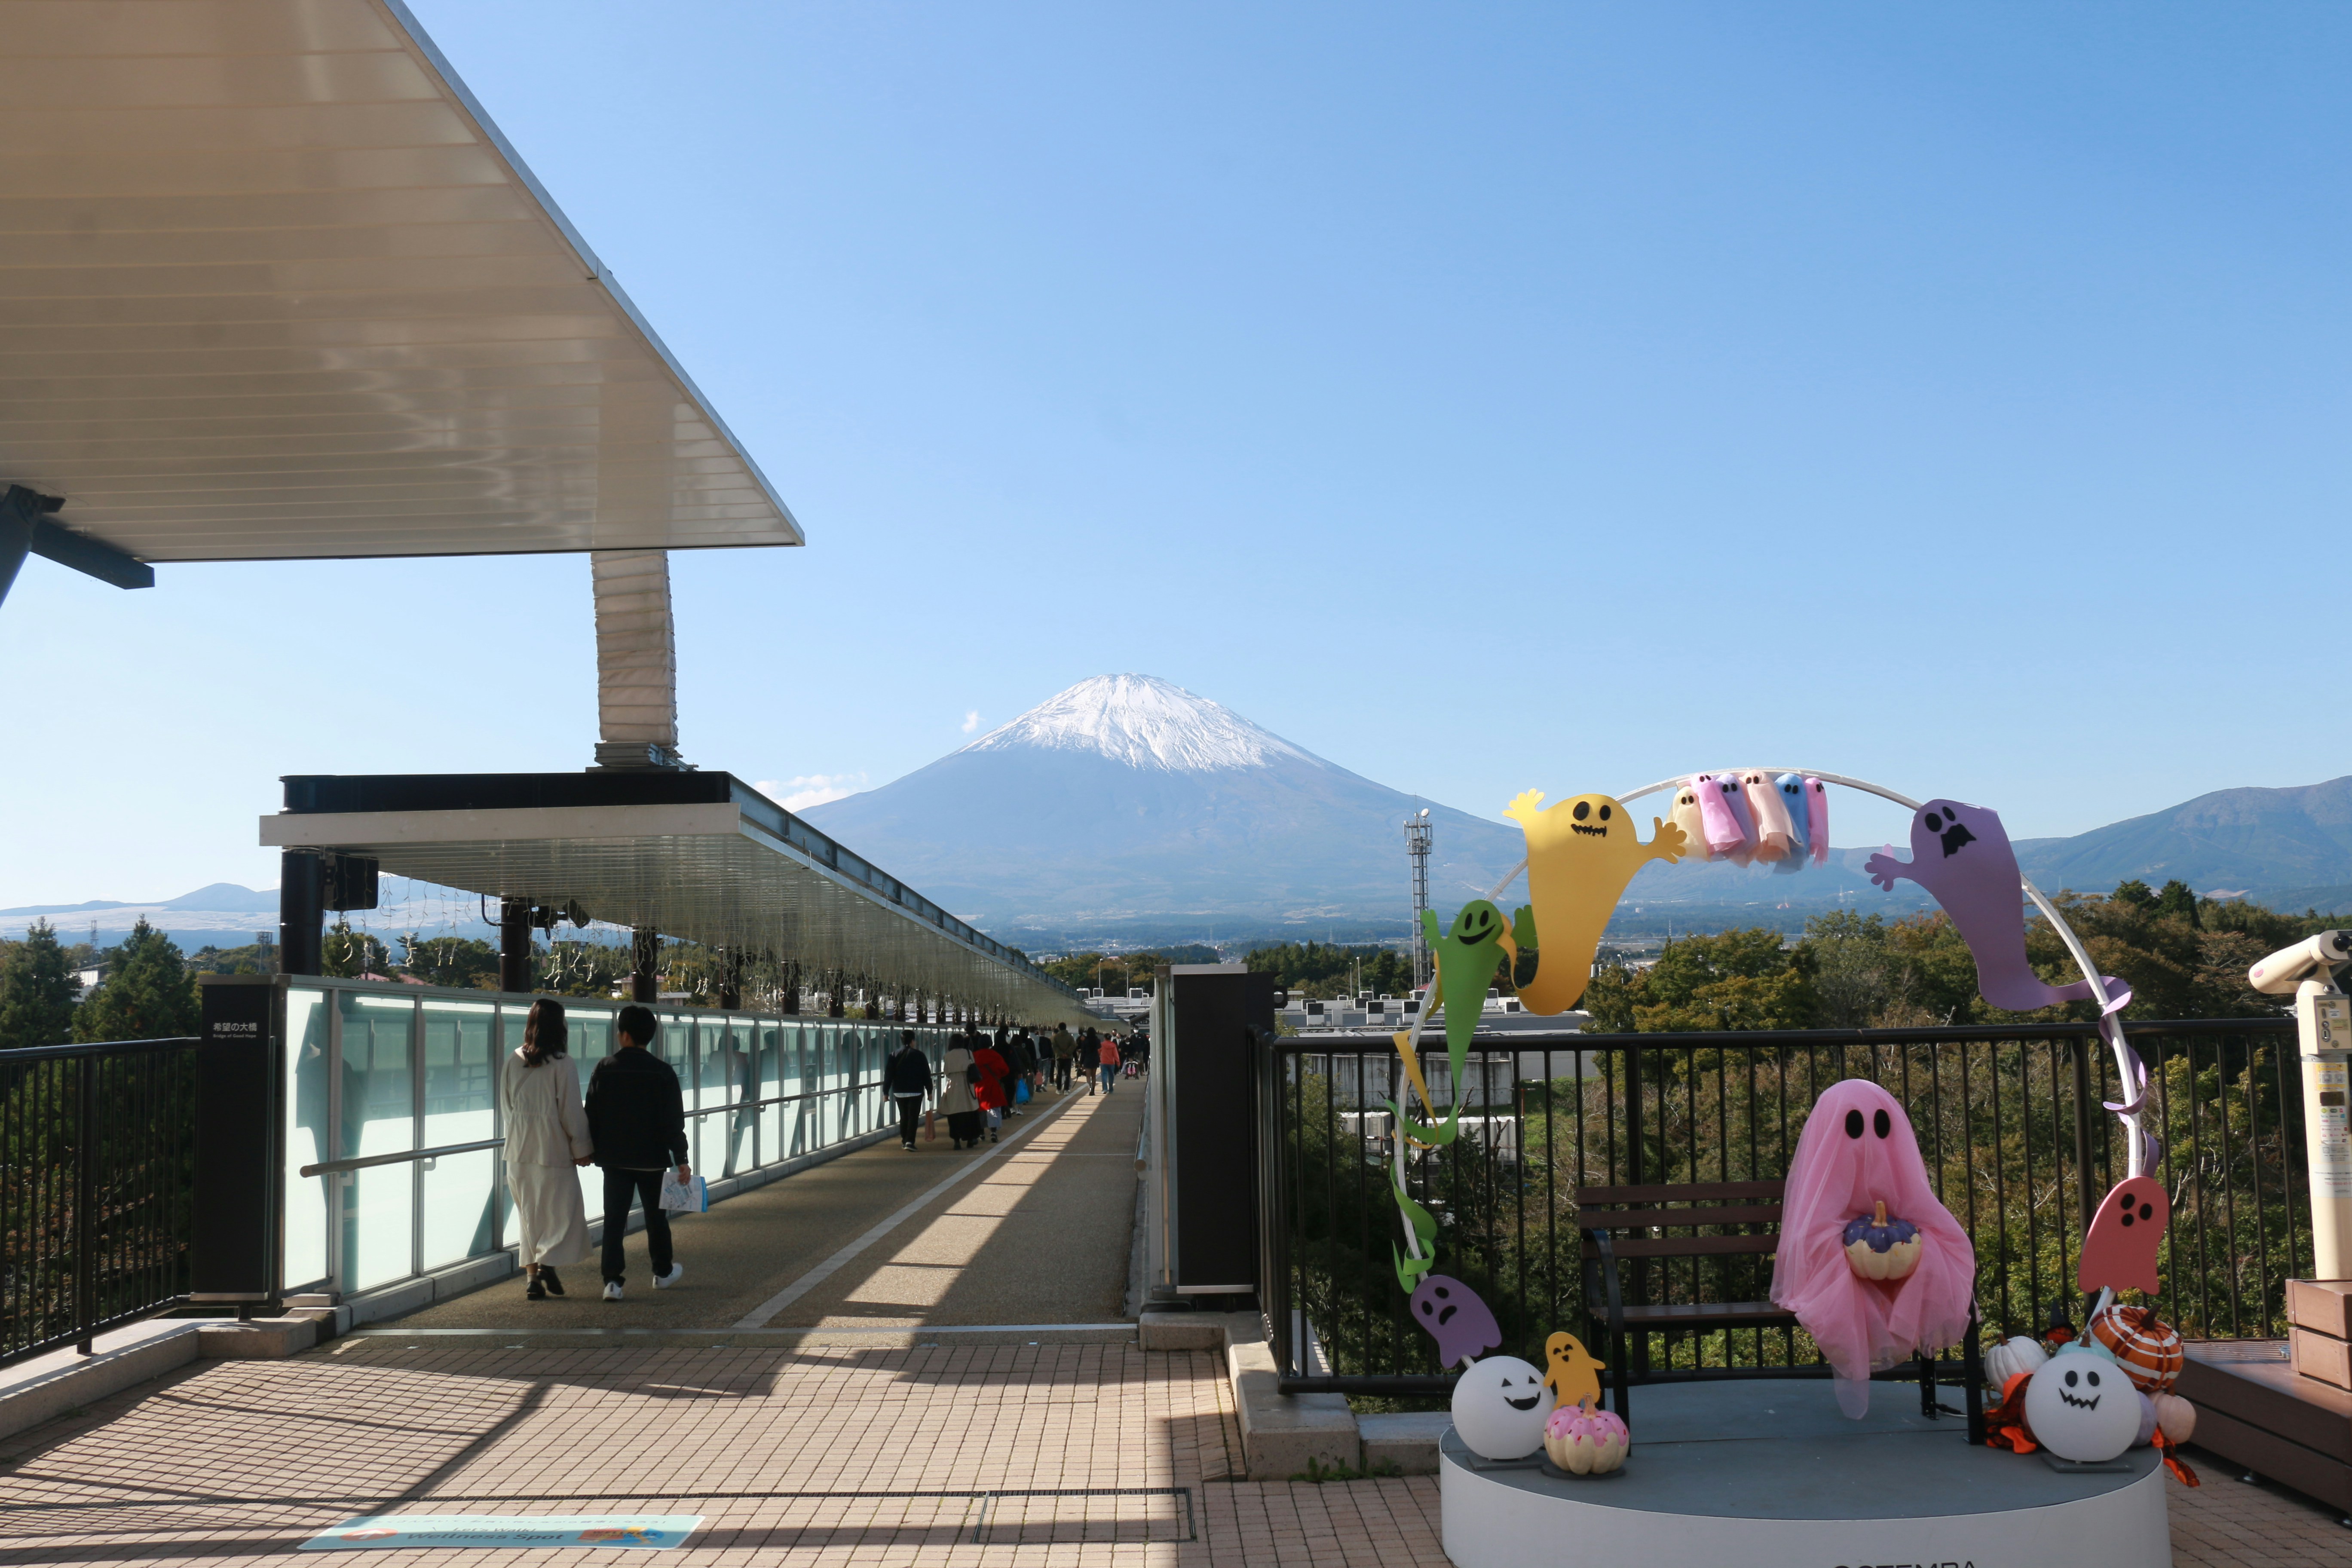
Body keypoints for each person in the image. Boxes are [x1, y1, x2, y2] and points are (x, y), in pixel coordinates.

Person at [585, 1003, 689, 1302]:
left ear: (624, 1035)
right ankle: (663, 1272)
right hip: (652, 1160)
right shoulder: (663, 1072)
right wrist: (681, 1159)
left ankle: (613, 1283)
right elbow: (673, 1122)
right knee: (657, 1219)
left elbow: (591, 1113)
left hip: (614, 1159)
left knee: (614, 1220)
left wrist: (589, 1150)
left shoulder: (605, 1069)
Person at [500, 998, 593, 1302]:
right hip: (551, 1150)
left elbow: (507, 1108)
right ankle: (546, 1266)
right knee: (564, 1213)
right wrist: (582, 1147)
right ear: (560, 1025)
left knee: (530, 1216)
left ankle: (532, 1278)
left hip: (517, 1151)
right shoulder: (562, 1062)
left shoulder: (513, 1059)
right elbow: (570, 1111)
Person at [884, 1030, 931, 1152]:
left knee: (904, 1116)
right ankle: (910, 1141)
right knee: (913, 1116)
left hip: (899, 1091)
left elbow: (889, 1075)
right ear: (912, 1041)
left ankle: (905, 1140)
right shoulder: (920, 1055)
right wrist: (930, 1091)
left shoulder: (894, 1055)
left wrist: (885, 1092)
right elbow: (926, 1074)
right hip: (916, 1090)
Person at [939, 1035, 983, 1148]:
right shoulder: (968, 1053)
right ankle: (970, 1139)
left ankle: (956, 1140)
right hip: (967, 1086)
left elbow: (947, 1072)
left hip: (953, 1087)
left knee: (954, 1113)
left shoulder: (948, 1056)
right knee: (969, 1112)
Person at [971, 1029, 1011, 1142]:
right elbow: (1005, 1070)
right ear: (990, 1043)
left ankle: (981, 1133)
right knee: (994, 1109)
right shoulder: (995, 1056)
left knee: (981, 1110)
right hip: (993, 1085)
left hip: (978, 1087)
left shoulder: (975, 1056)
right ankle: (993, 1132)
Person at [1051, 1023, 1076, 1091]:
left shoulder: (1056, 1037)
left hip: (1059, 1058)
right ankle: (1066, 1090)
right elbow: (1073, 1046)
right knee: (1067, 1074)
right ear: (1066, 1028)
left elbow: (1054, 1046)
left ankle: (1059, 1089)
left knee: (1059, 1074)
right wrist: (1067, 1053)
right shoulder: (1070, 1037)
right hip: (1068, 1058)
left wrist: (1061, 1054)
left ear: (1059, 1028)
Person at [1097, 1029, 1123, 1094]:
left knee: (1104, 1075)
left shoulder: (1102, 1045)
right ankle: (1111, 1088)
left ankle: (1105, 1089)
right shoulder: (1113, 1045)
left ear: (1105, 1038)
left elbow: (1099, 1052)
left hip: (1103, 1062)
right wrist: (1118, 1062)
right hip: (1112, 1063)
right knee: (1111, 1075)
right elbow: (1116, 1055)